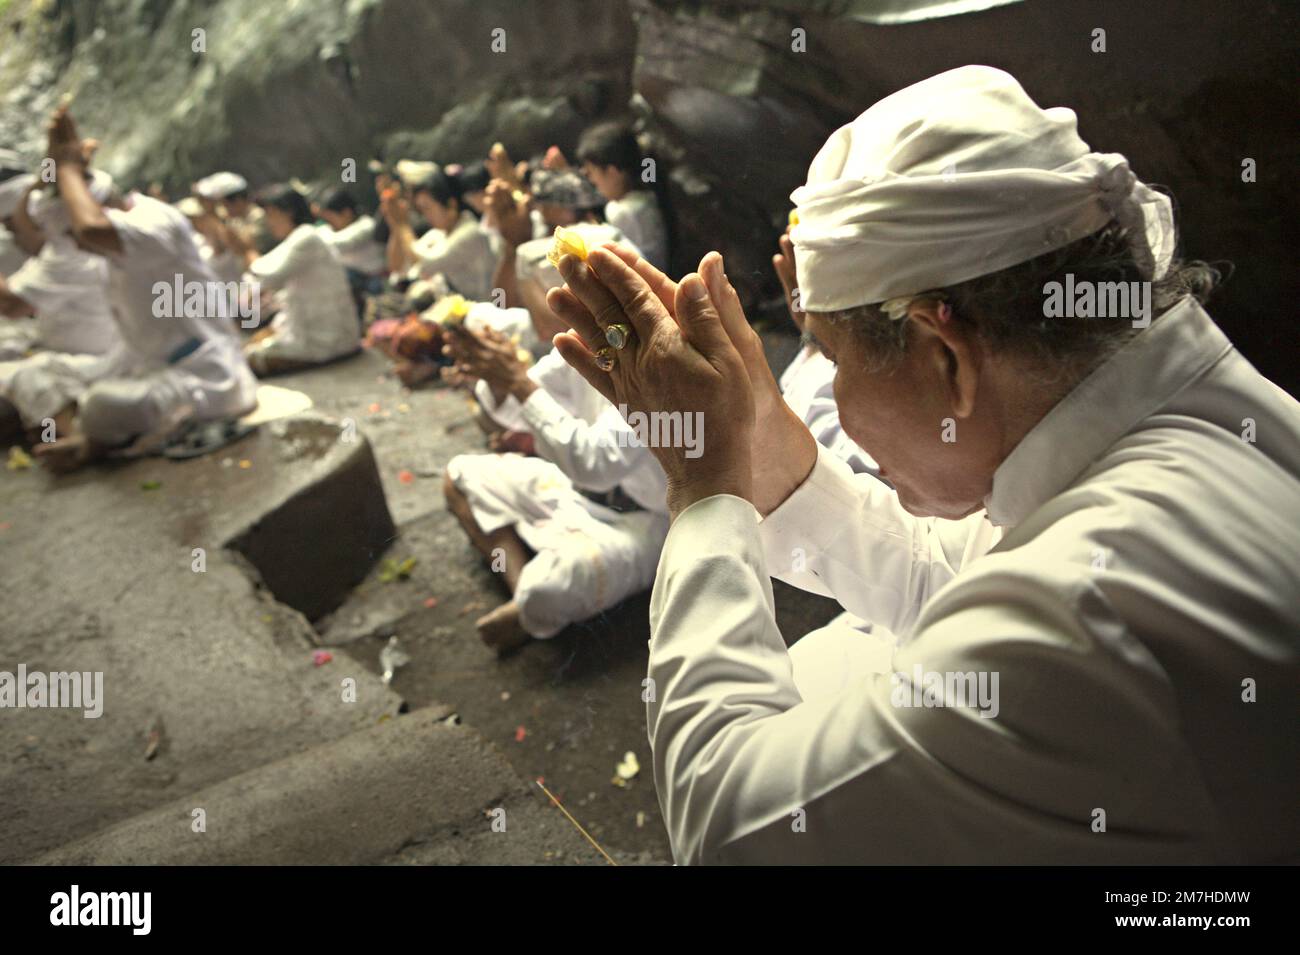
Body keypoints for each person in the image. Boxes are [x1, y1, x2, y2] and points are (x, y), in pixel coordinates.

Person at [545, 66, 1300, 864]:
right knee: (835, 658)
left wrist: (702, 490)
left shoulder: (1082, 607)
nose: (828, 391)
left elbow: (733, 826)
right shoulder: (1178, 411)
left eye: (831, 358)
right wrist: (768, 456)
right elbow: (953, 572)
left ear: (947, 360)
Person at [27, 106, 257, 471]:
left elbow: (90, 229)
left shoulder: (153, 223)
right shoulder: (112, 259)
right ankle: (91, 441)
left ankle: (97, 442)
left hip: (208, 377)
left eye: (72, 236)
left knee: (101, 404)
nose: (78, 245)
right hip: (150, 368)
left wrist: (68, 167)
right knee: (49, 373)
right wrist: (55, 164)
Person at [441, 294, 669, 653]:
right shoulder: (586, 340)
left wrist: (516, 382)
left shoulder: (657, 363)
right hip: (575, 492)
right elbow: (520, 411)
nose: (545, 320)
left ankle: (532, 602)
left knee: (549, 588)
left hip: (643, 522)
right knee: (460, 476)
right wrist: (496, 375)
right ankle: (524, 600)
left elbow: (596, 465)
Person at [243, 184, 359, 376]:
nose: (268, 222)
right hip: (317, 337)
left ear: (288, 212)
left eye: (272, 215)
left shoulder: (306, 237)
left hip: (327, 342)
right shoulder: (299, 237)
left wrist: (246, 250)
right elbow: (259, 273)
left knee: (248, 359)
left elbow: (269, 277)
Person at [382, 166, 496, 300]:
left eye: (427, 208)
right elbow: (397, 267)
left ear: (451, 205)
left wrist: (402, 225)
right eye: (421, 210)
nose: (425, 216)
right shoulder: (437, 234)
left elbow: (425, 265)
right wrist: (395, 225)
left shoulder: (471, 232)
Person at [576, 121, 670, 270]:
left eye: (591, 172)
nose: (592, 180)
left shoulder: (622, 212)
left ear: (612, 172)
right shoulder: (647, 196)